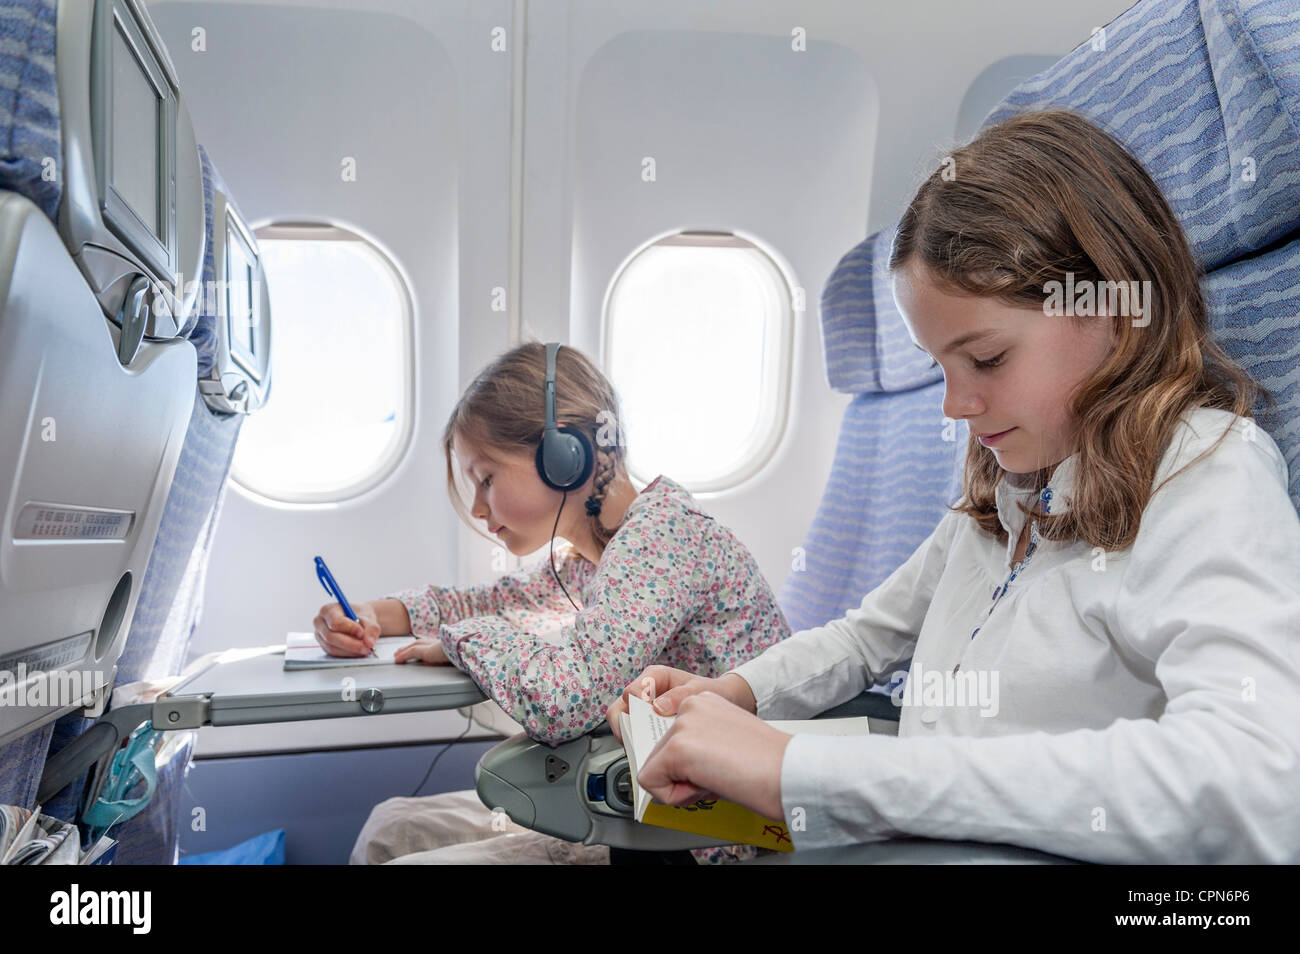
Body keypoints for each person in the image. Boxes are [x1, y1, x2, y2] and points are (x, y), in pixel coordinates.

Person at [606, 108, 1300, 864]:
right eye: (938, 365)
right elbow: (867, 637)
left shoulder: (1205, 471)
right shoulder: (1003, 499)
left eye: (988, 360)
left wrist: (810, 773)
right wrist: (734, 693)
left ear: (1115, 312)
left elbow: (1256, 781)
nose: (953, 404)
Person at [312, 341, 790, 864]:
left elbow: (564, 701)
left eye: (486, 479)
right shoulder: (590, 557)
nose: (476, 507)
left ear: (564, 455)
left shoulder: (660, 540)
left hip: (705, 839)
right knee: (392, 827)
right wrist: (373, 614)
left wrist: (462, 640)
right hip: (643, 810)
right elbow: (492, 600)